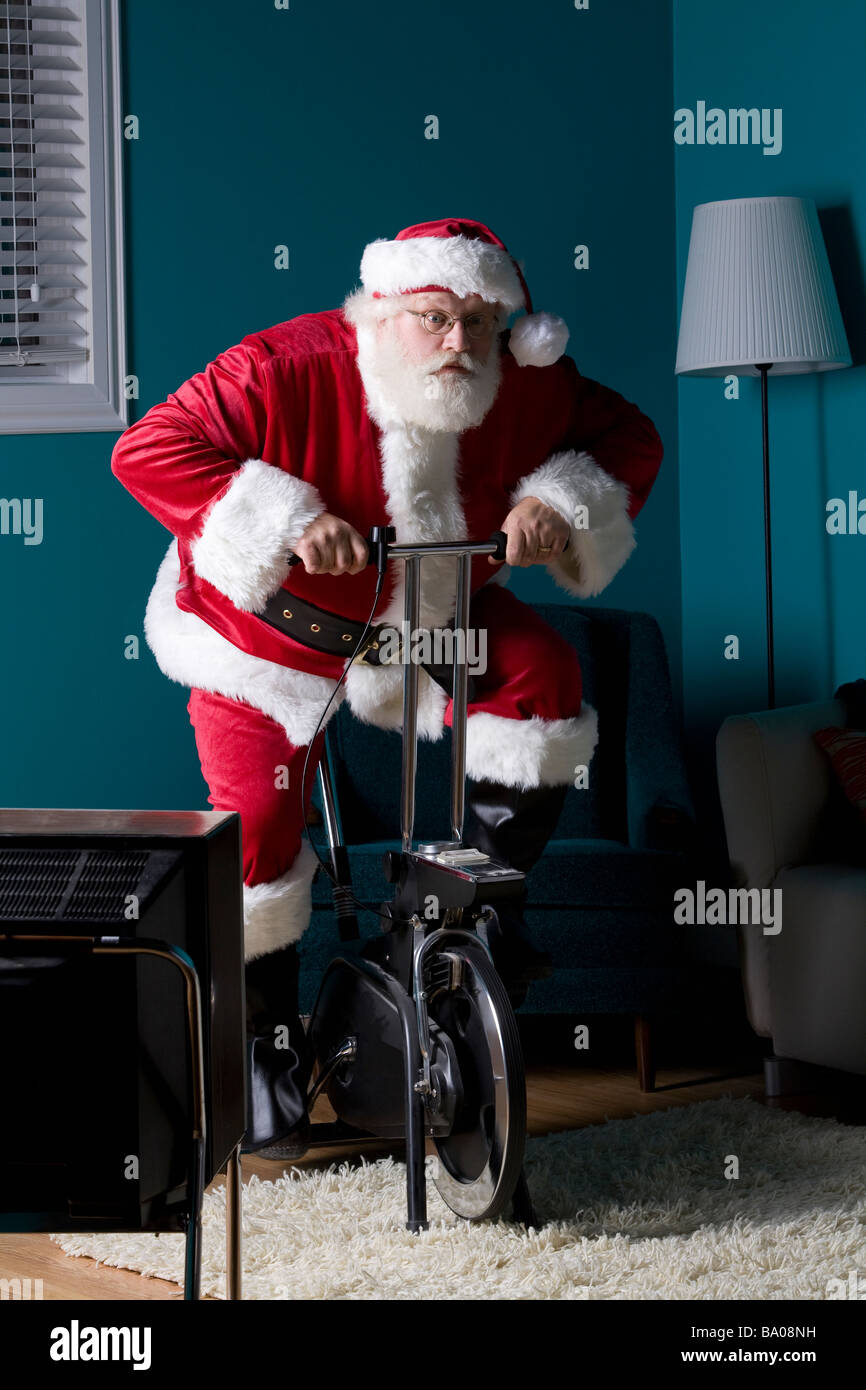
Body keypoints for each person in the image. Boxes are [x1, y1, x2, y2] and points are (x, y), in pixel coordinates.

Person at [110, 217, 663, 1160]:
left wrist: (554, 501)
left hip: (426, 618)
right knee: (256, 834)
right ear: (382, 311)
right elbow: (148, 449)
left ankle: (469, 920)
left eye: (479, 325)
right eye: (435, 318)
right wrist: (285, 517)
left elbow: (626, 438)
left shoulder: (524, 384)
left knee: (545, 674)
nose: (459, 343)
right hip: (265, 644)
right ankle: (260, 1060)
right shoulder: (280, 369)